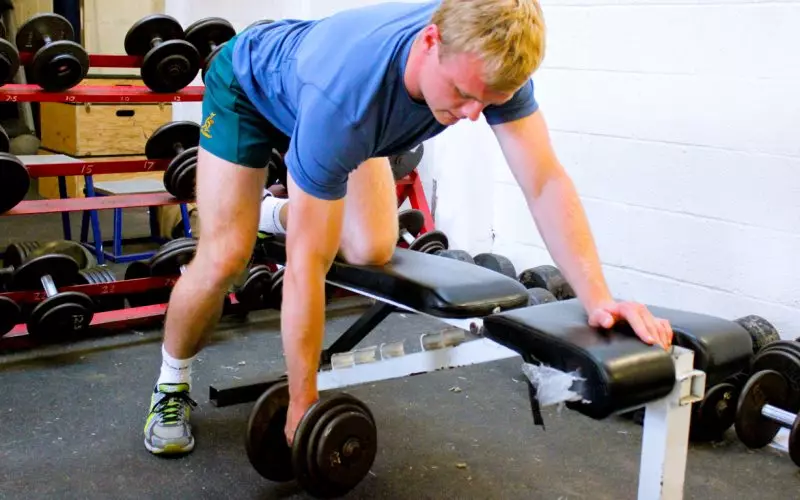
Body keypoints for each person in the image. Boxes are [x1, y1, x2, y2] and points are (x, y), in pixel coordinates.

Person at [143, 0, 674, 456]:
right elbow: (306, 265)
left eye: (486, 103)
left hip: (340, 112)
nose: (472, 114)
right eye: (465, 95)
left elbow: (544, 182)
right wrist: (303, 398)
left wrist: (599, 299)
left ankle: (277, 208)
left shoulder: (490, 54)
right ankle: (170, 383)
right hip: (250, 85)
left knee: (373, 246)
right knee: (226, 255)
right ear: (428, 42)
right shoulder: (345, 103)